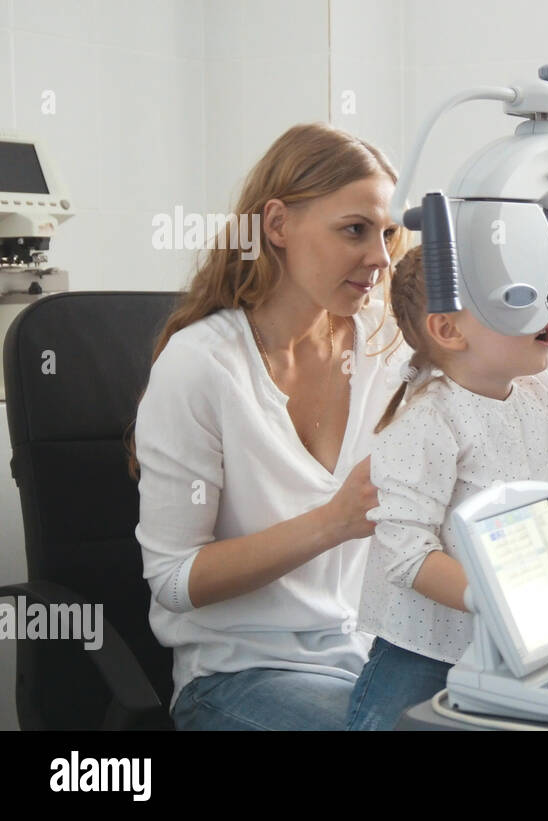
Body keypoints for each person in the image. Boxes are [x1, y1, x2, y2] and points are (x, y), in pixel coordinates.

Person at [129, 123, 413, 730]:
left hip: (367, 655)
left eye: (387, 233)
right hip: (238, 676)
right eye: (355, 230)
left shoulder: (383, 352)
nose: (380, 259)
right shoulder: (202, 365)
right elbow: (174, 581)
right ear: (278, 225)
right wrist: (333, 523)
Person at [344, 244, 548, 730]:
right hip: (422, 653)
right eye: (517, 298)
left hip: (506, 646)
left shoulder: (539, 394)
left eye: (546, 293)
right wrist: (507, 606)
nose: (544, 310)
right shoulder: (429, 420)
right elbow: (406, 555)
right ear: (448, 330)